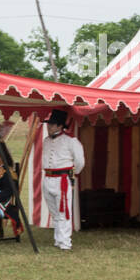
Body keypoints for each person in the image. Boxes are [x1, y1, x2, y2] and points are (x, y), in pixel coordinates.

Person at [40, 108, 86, 251]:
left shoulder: (71, 140)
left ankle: (65, 243)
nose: (49, 127)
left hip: (62, 179)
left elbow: (80, 161)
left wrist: (73, 173)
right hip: (48, 177)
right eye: (49, 124)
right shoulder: (46, 141)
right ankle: (58, 240)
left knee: (64, 211)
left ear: (60, 126)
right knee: (54, 211)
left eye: (52, 124)